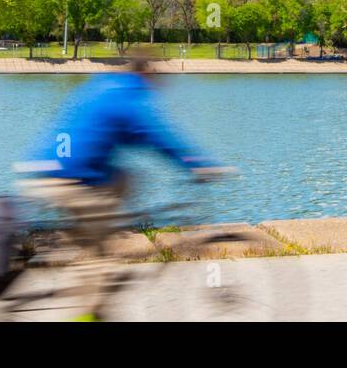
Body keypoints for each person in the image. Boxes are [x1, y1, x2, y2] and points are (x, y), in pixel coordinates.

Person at [13, 57, 228, 319]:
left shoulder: (103, 85)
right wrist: (198, 165)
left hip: (45, 168)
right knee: (99, 256)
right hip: (70, 180)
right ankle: (90, 314)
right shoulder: (128, 98)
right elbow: (159, 138)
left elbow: (128, 135)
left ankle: (99, 231)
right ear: (145, 72)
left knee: (126, 178)